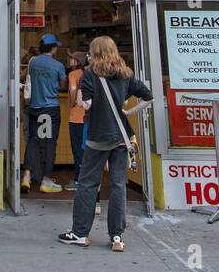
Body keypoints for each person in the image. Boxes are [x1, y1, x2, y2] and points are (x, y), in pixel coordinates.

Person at [58, 36, 153, 251]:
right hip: (122, 136)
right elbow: (148, 97)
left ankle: (80, 233)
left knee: (87, 183)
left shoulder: (90, 74)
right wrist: (128, 112)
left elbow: (86, 104)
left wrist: (82, 94)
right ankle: (117, 236)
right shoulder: (125, 73)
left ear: (95, 52)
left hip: (98, 136)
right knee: (119, 184)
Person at [22, 33, 66, 195]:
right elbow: (62, 85)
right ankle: (46, 181)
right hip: (50, 110)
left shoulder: (33, 63)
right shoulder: (58, 66)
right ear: (53, 48)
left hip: (35, 109)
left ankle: (26, 176)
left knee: (33, 141)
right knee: (48, 143)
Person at [65, 50, 88, 191]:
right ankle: (86, 179)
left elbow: (73, 88)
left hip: (76, 117)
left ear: (77, 61)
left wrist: (73, 102)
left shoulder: (73, 74)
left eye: (72, 59)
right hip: (89, 117)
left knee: (77, 150)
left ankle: (78, 180)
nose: (69, 61)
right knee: (86, 150)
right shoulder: (90, 74)